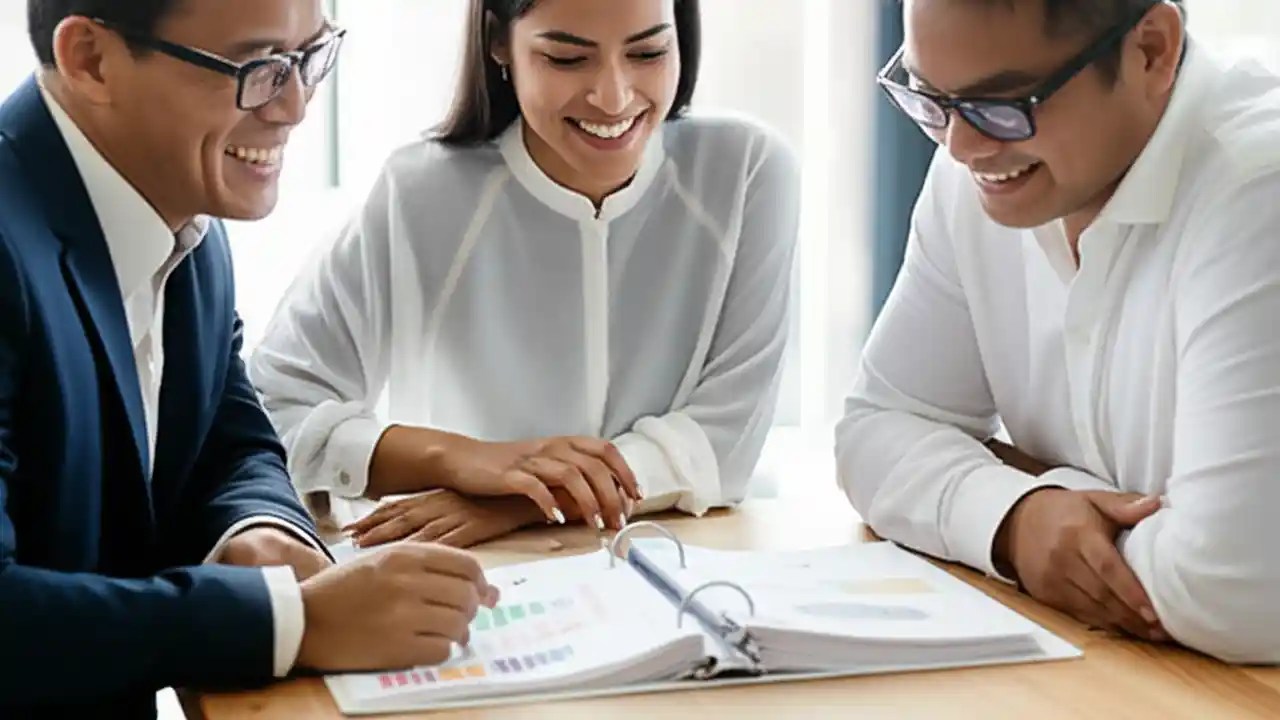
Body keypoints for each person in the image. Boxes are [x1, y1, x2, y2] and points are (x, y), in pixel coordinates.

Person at [0, 1, 497, 716]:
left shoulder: (177, 196)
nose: (295, 106)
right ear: (91, 60)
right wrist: (293, 623)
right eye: (258, 68)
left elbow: (226, 436)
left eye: (312, 57)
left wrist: (258, 533)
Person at [249, 0, 801, 549]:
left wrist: (524, 500)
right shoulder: (422, 193)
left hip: (695, 564)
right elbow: (270, 409)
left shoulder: (747, 172)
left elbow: (727, 435)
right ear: (498, 43)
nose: (614, 95)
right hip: (489, 583)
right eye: (566, 58)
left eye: (649, 52)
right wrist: (463, 461)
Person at [837, 0, 1280, 663]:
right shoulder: (984, 165)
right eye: (931, 98)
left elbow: (1238, 593)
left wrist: (1041, 497)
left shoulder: (1257, 191)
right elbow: (873, 433)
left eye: (1002, 103)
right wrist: (1019, 516)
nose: (959, 146)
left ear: (1151, 51)